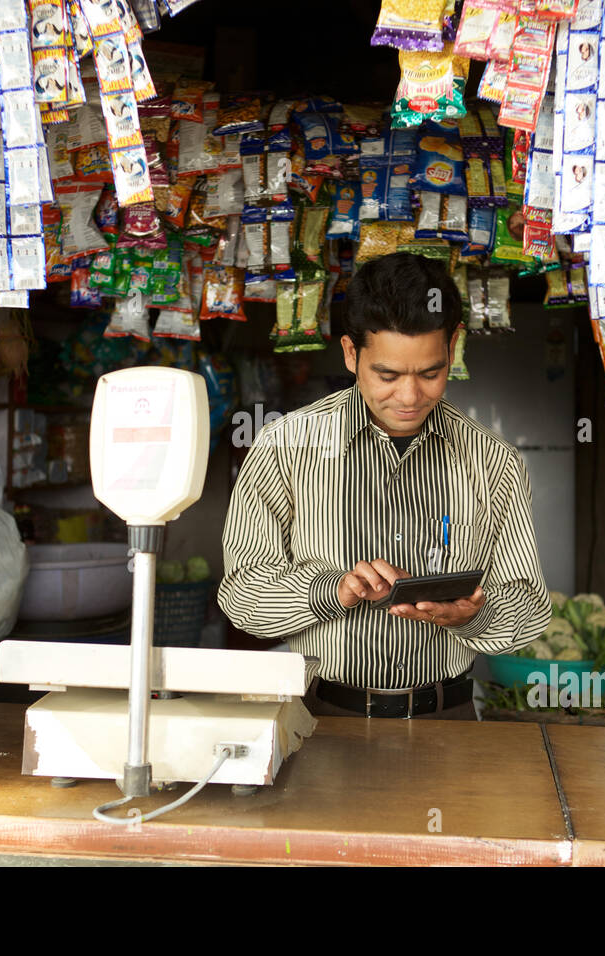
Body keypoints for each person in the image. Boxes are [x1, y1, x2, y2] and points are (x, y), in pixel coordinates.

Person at [218, 253, 551, 720]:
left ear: (453, 347)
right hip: (323, 720)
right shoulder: (286, 445)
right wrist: (332, 591)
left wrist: (472, 617)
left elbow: (528, 607)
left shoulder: (492, 460)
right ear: (352, 353)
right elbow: (243, 597)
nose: (410, 397)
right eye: (388, 375)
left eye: (430, 374)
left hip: (448, 720)